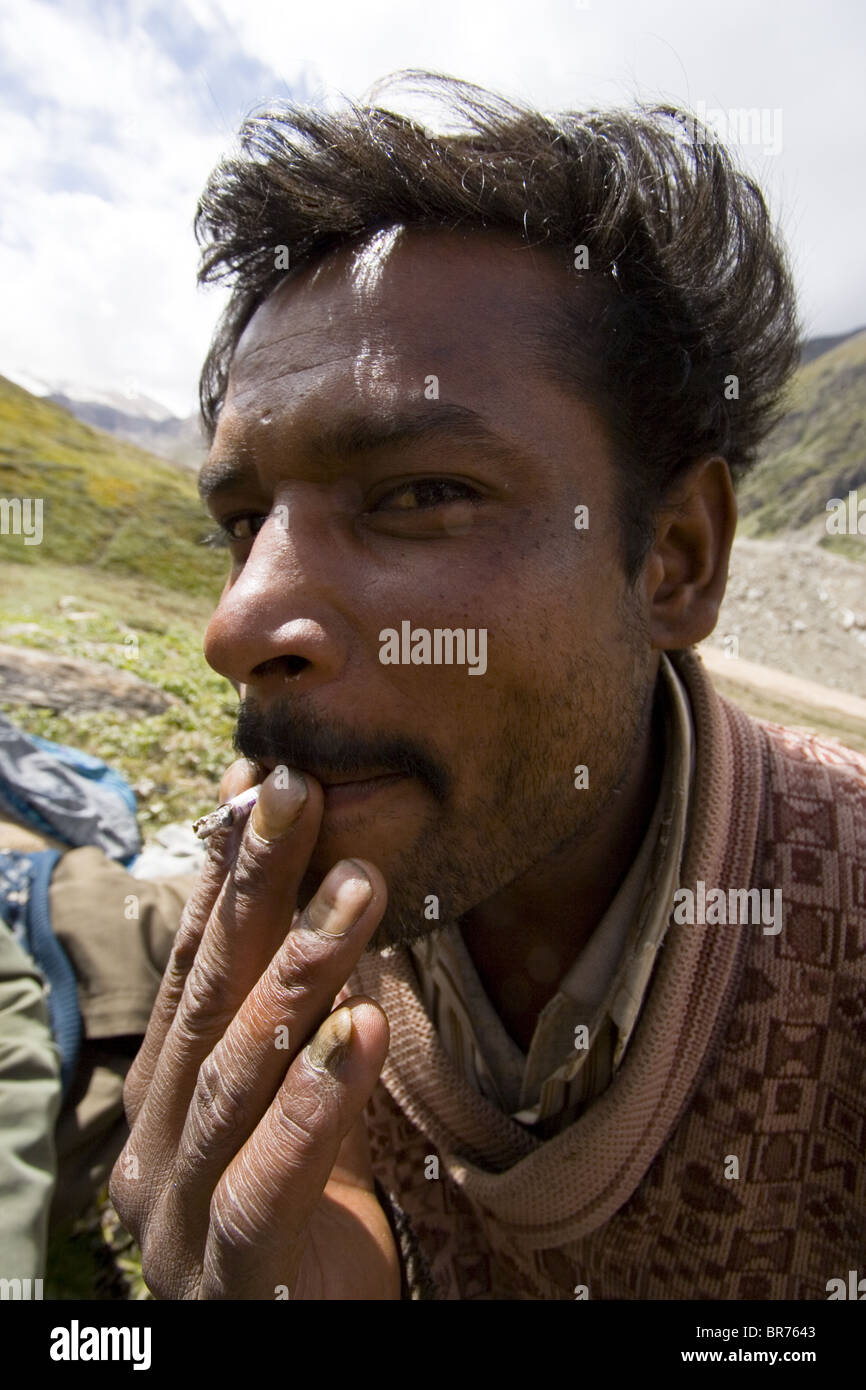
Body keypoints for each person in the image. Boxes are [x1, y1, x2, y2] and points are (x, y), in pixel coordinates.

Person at [109, 72, 866, 1300]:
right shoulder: (273, 903)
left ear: (674, 560)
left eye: (419, 494)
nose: (238, 622)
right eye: (243, 521)